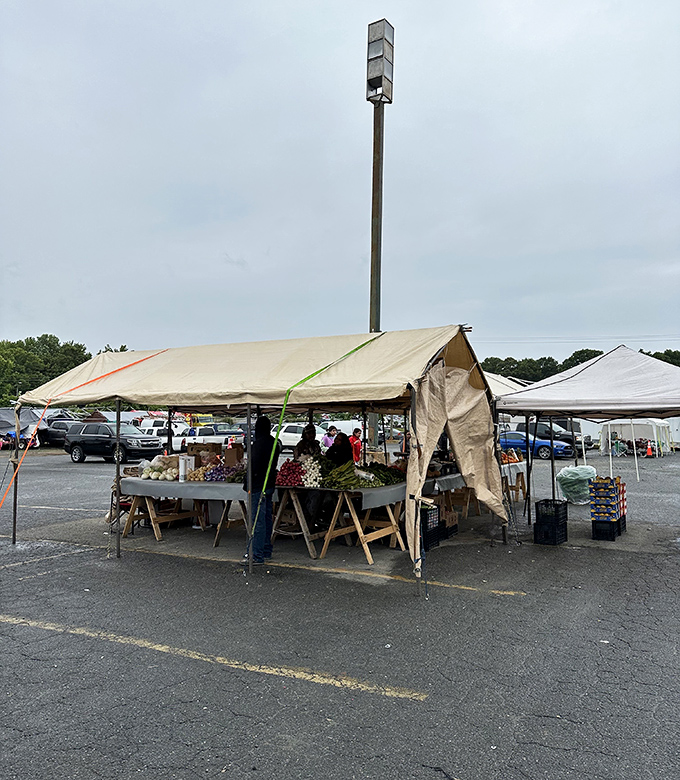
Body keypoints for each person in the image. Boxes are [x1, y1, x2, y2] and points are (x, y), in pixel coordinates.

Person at [242, 416, 281, 565]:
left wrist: (247, 484)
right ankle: (266, 549)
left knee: (257, 520)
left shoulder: (258, 445)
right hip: (270, 483)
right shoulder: (274, 443)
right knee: (266, 518)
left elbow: (253, 467)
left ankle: (256, 555)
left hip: (258, 485)